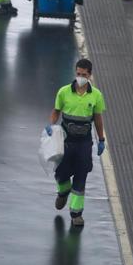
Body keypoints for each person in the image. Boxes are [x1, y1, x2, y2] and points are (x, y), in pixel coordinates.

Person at [45, 58, 106, 227]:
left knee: (81, 176)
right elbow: (56, 111)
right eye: (78, 74)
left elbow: (98, 118)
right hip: (66, 141)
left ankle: (76, 214)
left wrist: (101, 139)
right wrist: (51, 125)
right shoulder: (64, 92)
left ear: (90, 75)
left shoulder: (96, 96)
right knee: (61, 172)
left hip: (84, 143)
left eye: (84, 75)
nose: (80, 77)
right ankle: (63, 190)